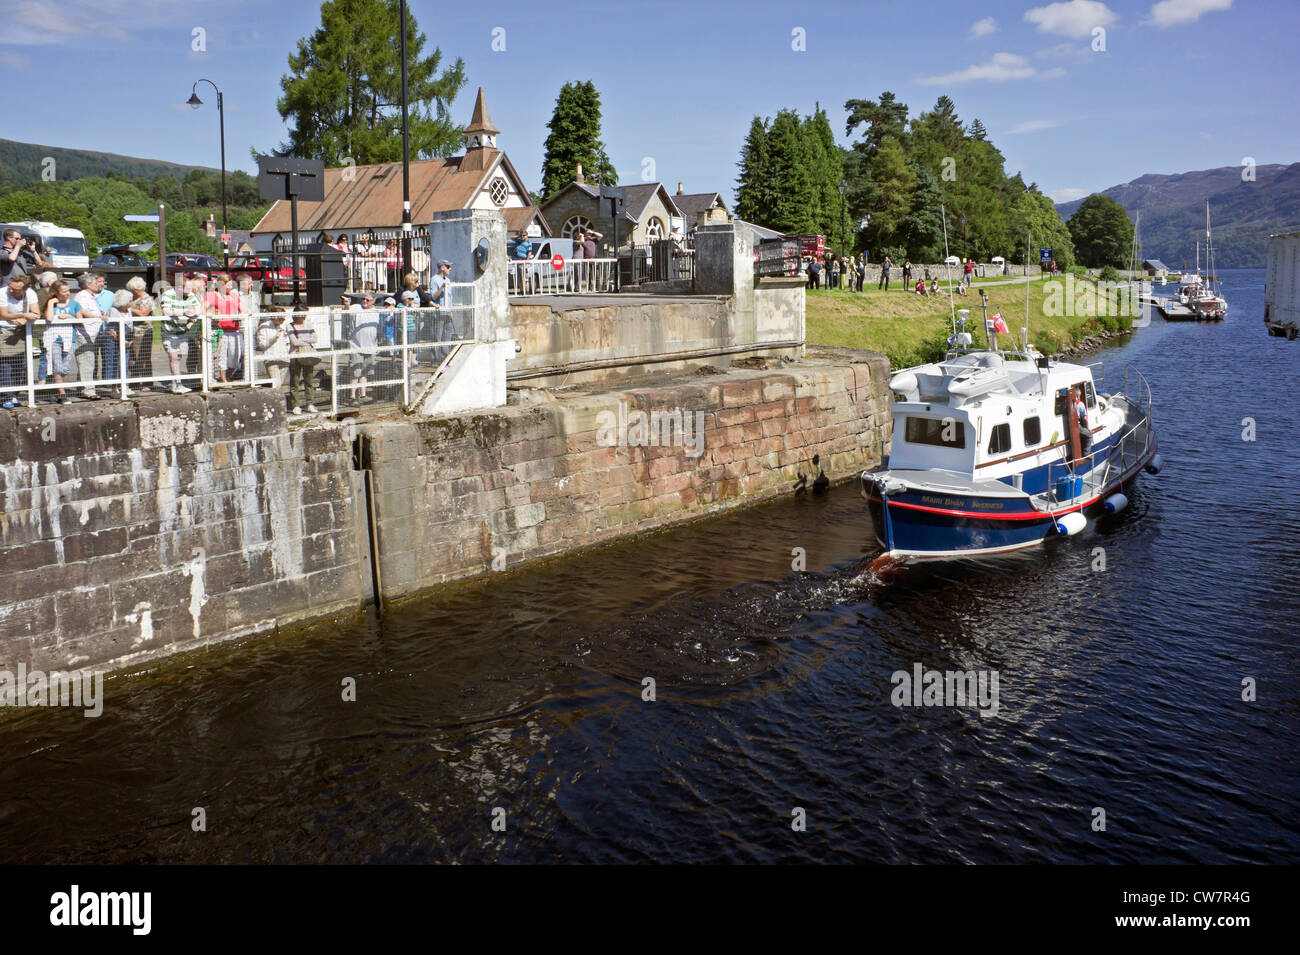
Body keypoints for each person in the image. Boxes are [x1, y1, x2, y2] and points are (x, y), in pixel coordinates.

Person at [1, 273, 39, 408]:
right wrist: (23, 314)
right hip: (4, 332)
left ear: (24, 290)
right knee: (5, 365)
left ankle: (14, 395)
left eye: (15, 290)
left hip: (22, 333)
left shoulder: (30, 294)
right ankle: (6, 396)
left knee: (20, 365)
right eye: (10, 287)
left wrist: (26, 319)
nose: (10, 290)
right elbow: (3, 314)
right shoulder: (2, 292)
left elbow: (36, 313)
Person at [160, 278, 203, 393]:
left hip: (183, 332)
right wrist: (182, 313)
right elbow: (166, 311)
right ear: (179, 287)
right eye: (187, 288)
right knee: (173, 357)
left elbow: (199, 308)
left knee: (179, 357)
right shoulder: (168, 295)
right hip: (169, 332)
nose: (190, 291)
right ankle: (177, 384)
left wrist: (194, 312)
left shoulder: (190, 295)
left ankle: (176, 382)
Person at [42, 281, 80, 404]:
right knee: (57, 366)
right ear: (56, 293)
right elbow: (48, 318)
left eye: (68, 290)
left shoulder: (74, 304)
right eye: (64, 291)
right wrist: (51, 302)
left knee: (66, 367)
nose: (67, 293)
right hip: (54, 339)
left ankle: (60, 392)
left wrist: (70, 317)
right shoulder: (51, 304)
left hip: (70, 339)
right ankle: (62, 393)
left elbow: (81, 321)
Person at [206, 273, 244, 383]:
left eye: (231, 285)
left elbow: (243, 310)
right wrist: (211, 315)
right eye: (227, 285)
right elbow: (204, 309)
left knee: (235, 357)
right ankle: (223, 378)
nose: (230, 287)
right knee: (222, 357)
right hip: (221, 331)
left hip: (234, 330)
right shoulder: (213, 295)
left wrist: (240, 315)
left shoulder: (235, 296)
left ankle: (227, 376)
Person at [348, 291, 381, 401]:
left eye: (368, 300)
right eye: (364, 299)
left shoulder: (376, 311)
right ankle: (352, 396)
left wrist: (376, 344)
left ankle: (363, 395)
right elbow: (347, 309)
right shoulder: (357, 307)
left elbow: (377, 329)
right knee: (355, 372)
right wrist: (347, 304)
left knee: (365, 371)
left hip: (370, 346)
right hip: (356, 345)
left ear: (373, 301)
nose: (365, 301)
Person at [124, 276, 155, 385]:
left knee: (143, 357)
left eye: (132, 290)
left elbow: (143, 313)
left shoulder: (147, 299)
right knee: (133, 357)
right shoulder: (135, 299)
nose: (131, 292)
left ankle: (146, 382)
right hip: (133, 332)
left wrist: (129, 309)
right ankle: (135, 381)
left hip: (143, 332)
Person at [286, 312, 319, 414]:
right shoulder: (290, 326)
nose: (304, 317)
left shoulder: (308, 324)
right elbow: (294, 342)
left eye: (305, 314)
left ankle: (310, 403)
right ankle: (295, 405)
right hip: (295, 354)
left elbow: (315, 339)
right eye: (302, 314)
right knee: (295, 381)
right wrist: (307, 339)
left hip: (308, 354)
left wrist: (302, 339)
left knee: (309, 380)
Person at [255, 307, 292, 392]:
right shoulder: (264, 326)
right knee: (277, 385)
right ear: (275, 317)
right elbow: (262, 344)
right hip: (271, 358)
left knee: (279, 385)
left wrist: (288, 351)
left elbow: (288, 341)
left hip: (284, 358)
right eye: (281, 317)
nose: (283, 319)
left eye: (284, 317)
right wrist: (275, 337)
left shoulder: (284, 326)